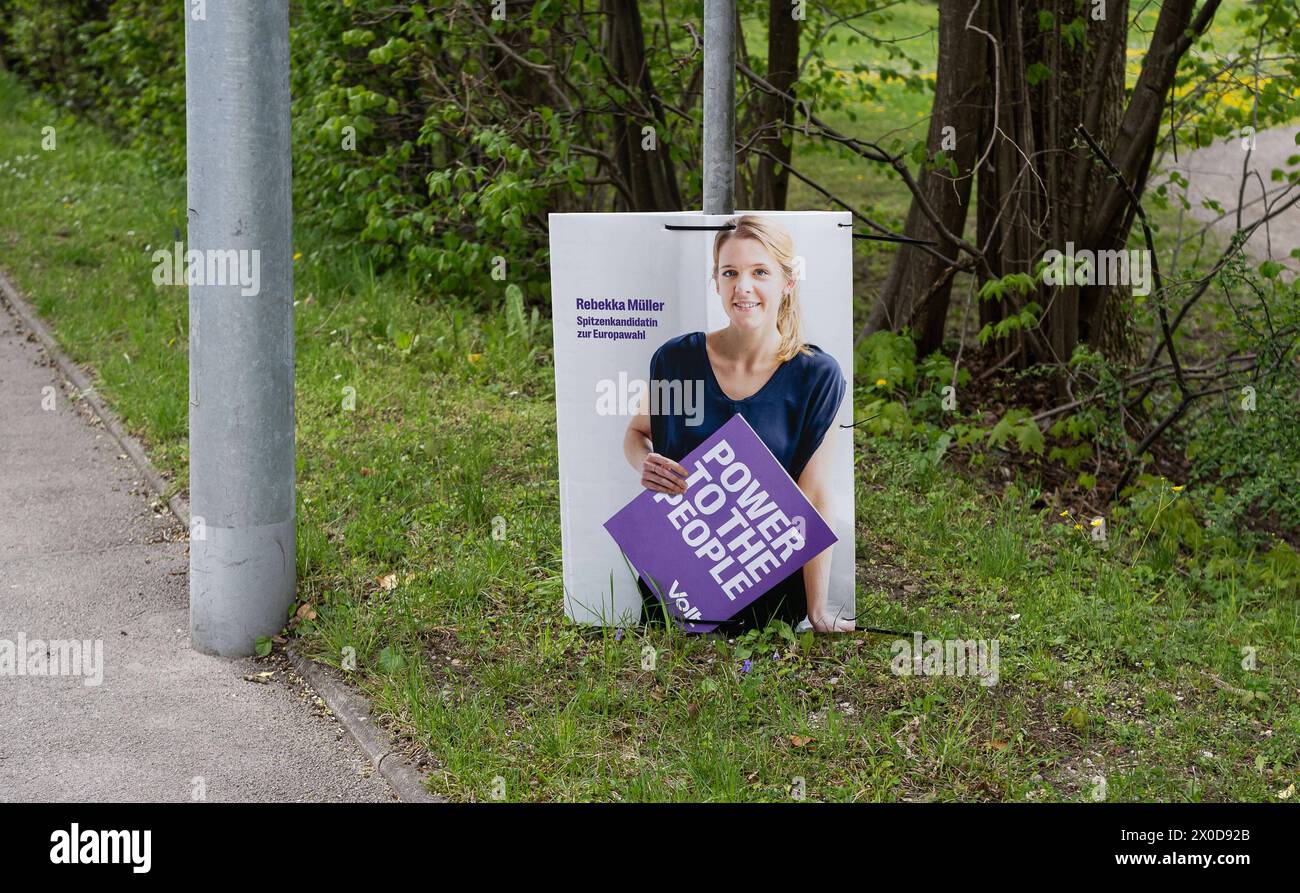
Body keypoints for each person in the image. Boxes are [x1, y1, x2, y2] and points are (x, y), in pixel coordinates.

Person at [622, 215, 852, 632]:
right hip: (679, 591)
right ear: (716, 282)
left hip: (768, 597)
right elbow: (637, 434)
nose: (742, 286)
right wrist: (645, 463)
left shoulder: (816, 375)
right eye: (730, 272)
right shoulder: (677, 360)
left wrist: (818, 610)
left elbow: (816, 496)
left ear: (787, 282)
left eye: (760, 272)